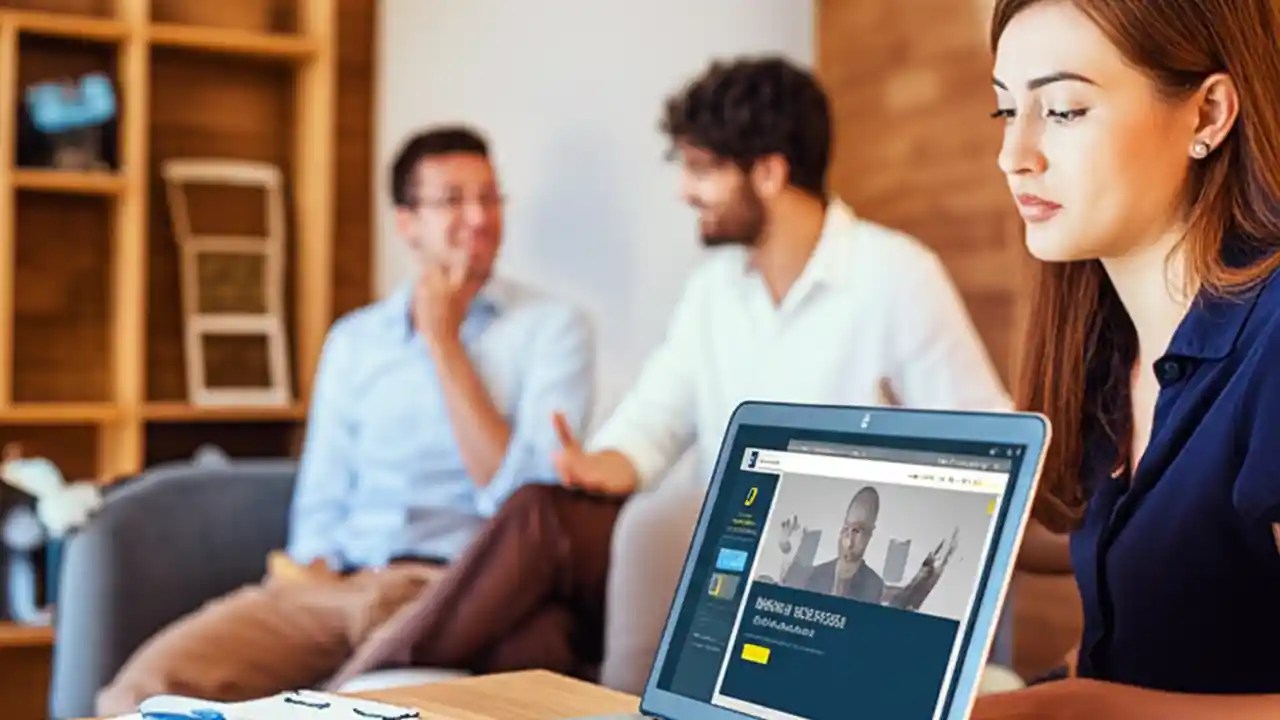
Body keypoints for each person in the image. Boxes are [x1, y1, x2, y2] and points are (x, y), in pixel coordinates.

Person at [327, 56, 1012, 688]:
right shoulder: (716, 287)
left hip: (800, 576)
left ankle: (354, 683)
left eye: (703, 168)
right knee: (539, 551)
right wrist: (599, 465)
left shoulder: (894, 276)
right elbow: (654, 423)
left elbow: (989, 450)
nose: (685, 191)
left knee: (554, 569)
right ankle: (371, 688)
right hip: (706, 550)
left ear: (768, 173)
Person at [95, 126, 594, 714]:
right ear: (407, 222)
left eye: (490, 197)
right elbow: (322, 495)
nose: (479, 217)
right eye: (453, 200)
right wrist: (312, 572)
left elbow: (521, 501)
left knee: (333, 708)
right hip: (336, 588)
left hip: (455, 591)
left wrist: (443, 342)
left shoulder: (552, 329)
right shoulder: (356, 341)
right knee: (141, 692)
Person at [972, 0, 1280, 717]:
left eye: (1065, 111)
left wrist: (1068, 709)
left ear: (1206, 116)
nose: (1013, 154)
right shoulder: (1102, 348)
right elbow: (1152, 654)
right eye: (1004, 111)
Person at [778, 487, 958, 610]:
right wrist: (785, 546)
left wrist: (929, 573)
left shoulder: (874, 585)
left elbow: (902, 602)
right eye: (845, 528)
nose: (848, 539)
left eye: (858, 531)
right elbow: (786, 587)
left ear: (870, 534)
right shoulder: (815, 574)